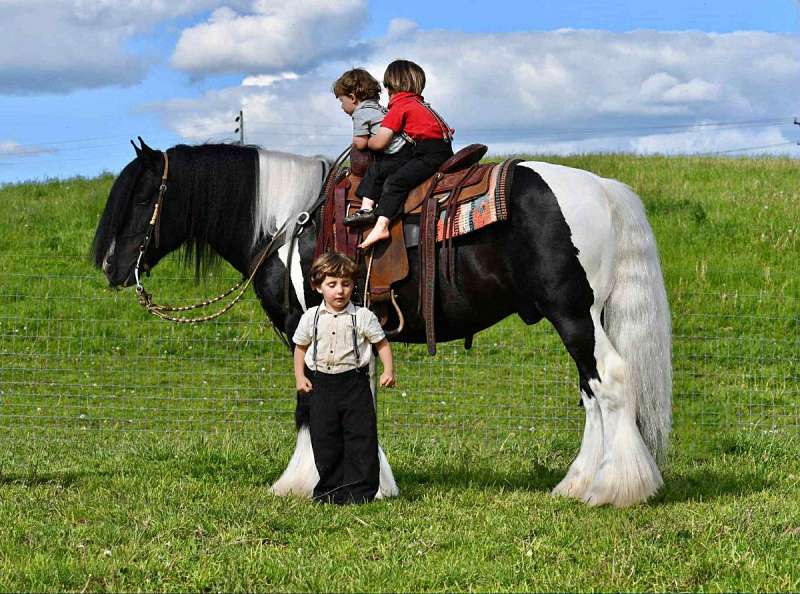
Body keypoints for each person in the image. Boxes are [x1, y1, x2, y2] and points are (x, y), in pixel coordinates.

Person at [292, 252, 396, 504]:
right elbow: (300, 347)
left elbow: (381, 344)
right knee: (325, 438)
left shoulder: (362, 317)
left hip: (354, 384)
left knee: (361, 437)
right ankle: (329, 490)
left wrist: (388, 370)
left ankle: (361, 492)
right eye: (332, 284)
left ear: (353, 286)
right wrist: (299, 377)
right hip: (322, 384)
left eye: (346, 284)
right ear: (318, 287)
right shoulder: (311, 318)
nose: (340, 291)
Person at [357, 59, 455, 249]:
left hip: (427, 154)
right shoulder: (423, 105)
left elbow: (380, 142)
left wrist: (368, 141)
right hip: (442, 150)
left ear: (391, 86)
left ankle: (382, 225)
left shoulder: (400, 107)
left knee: (395, 182)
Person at [331, 68, 411, 228]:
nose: (341, 107)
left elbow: (360, 143)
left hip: (397, 153)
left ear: (353, 98)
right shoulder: (378, 108)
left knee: (375, 171)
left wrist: (357, 142)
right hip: (407, 148)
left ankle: (366, 209)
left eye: (341, 101)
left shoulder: (360, 113)